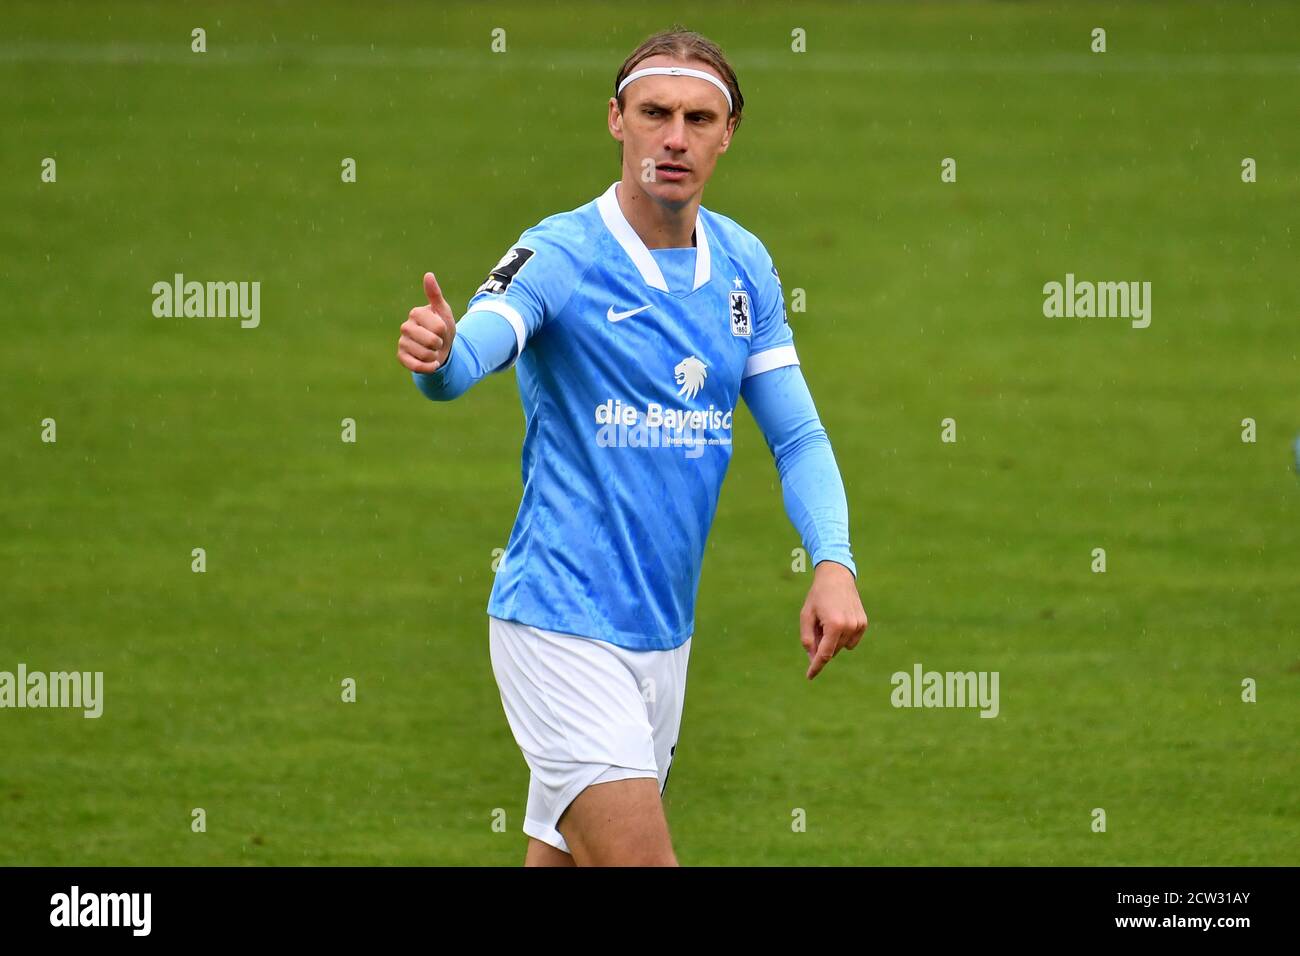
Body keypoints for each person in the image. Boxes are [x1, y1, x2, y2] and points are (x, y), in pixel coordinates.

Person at [397, 27, 868, 866]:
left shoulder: (744, 267)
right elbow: (473, 351)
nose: (675, 137)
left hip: (663, 639)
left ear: (729, 134)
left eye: (698, 117)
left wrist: (833, 559)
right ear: (617, 120)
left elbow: (797, 436)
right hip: (558, 624)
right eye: (655, 113)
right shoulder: (562, 252)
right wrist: (439, 356)